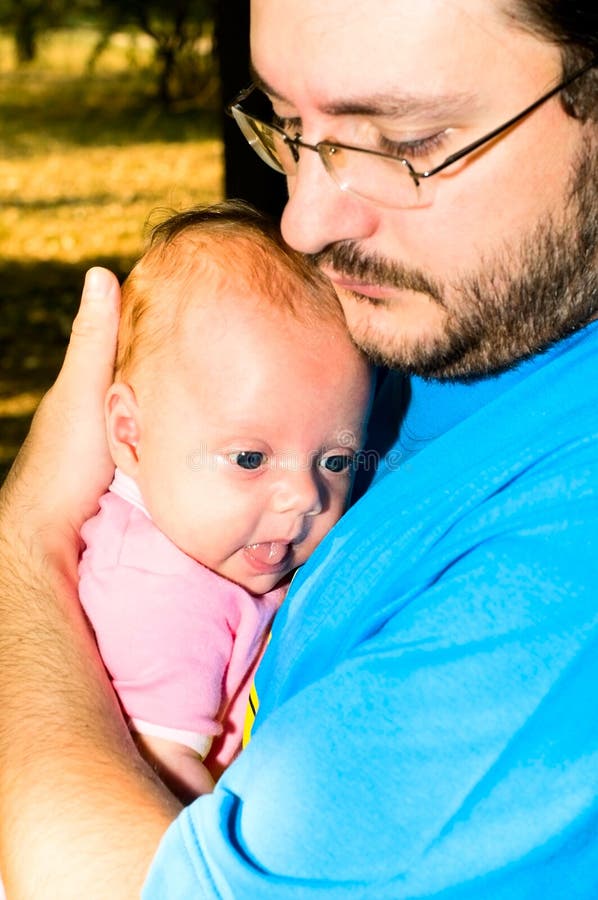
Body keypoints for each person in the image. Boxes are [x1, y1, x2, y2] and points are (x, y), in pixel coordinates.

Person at [0, 0, 597, 896]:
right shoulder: (425, 322)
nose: (304, 223)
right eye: (288, 127)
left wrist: (25, 544)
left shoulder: (564, 572)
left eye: (405, 141)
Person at [77, 201, 371, 802]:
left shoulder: (202, 531)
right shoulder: (161, 593)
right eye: (250, 459)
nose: (303, 496)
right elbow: (152, 787)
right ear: (132, 435)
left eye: (334, 461)